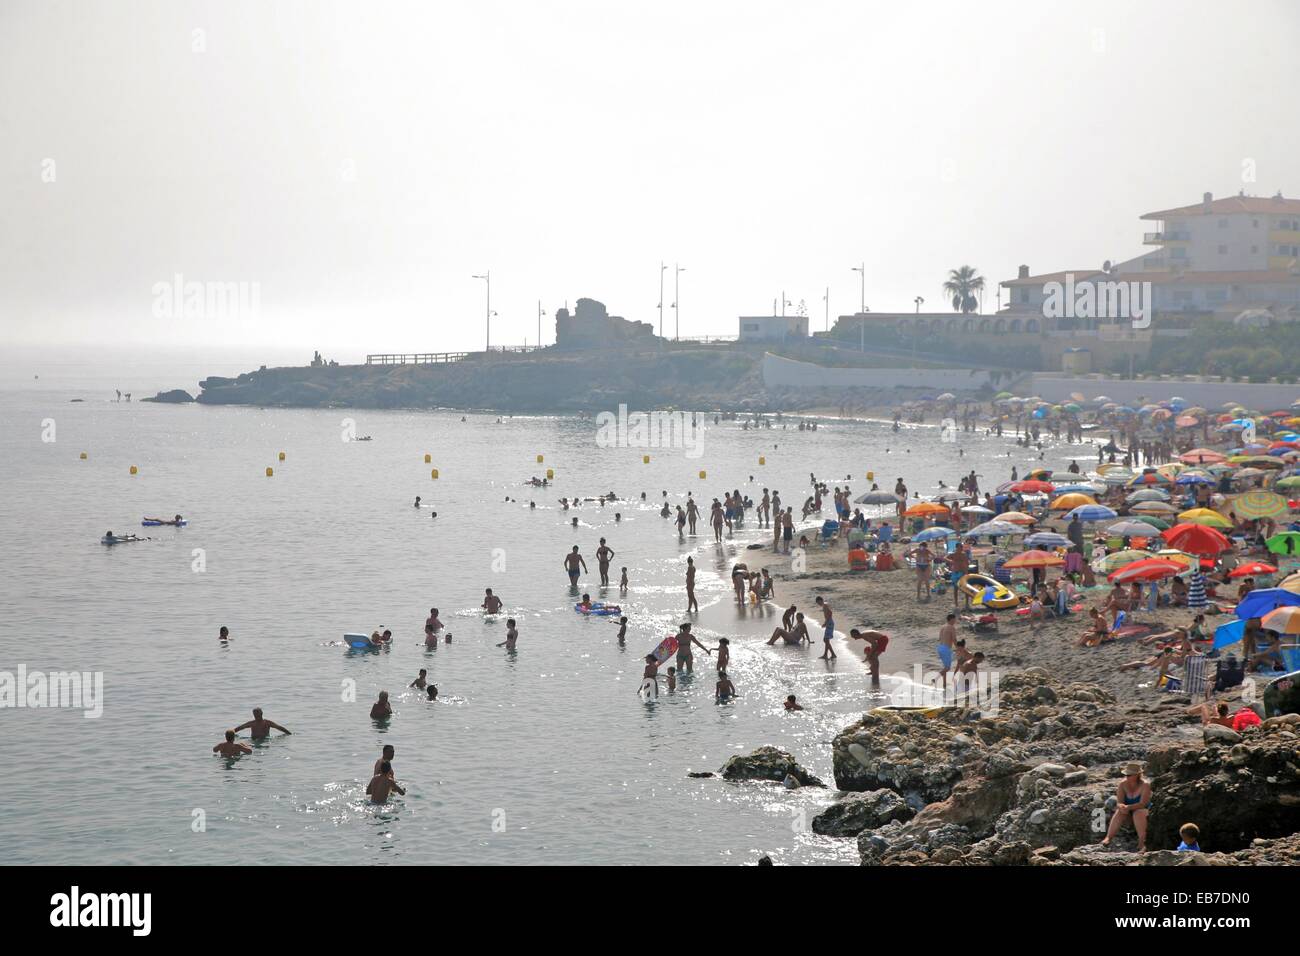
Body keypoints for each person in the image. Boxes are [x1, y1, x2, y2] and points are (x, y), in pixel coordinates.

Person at [1101, 762, 1151, 852]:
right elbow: (1119, 802)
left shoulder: (1145, 785)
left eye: (1129, 775)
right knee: (1120, 811)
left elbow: (1143, 804)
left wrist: (1128, 807)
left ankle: (1142, 842)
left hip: (1144, 812)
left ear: (1137, 775)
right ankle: (1108, 838)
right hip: (1128, 812)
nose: (1127, 777)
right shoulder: (1122, 784)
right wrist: (1122, 806)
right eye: (1126, 775)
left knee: (1138, 813)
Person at [937, 613, 957, 690]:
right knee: (947, 668)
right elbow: (954, 639)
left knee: (945, 667)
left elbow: (939, 638)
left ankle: (944, 684)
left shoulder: (943, 626)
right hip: (946, 649)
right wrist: (958, 648)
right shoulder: (951, 627)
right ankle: (936, 678)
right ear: (951, 619)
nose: (955, 621)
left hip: (940, 648)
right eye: (955, 619)